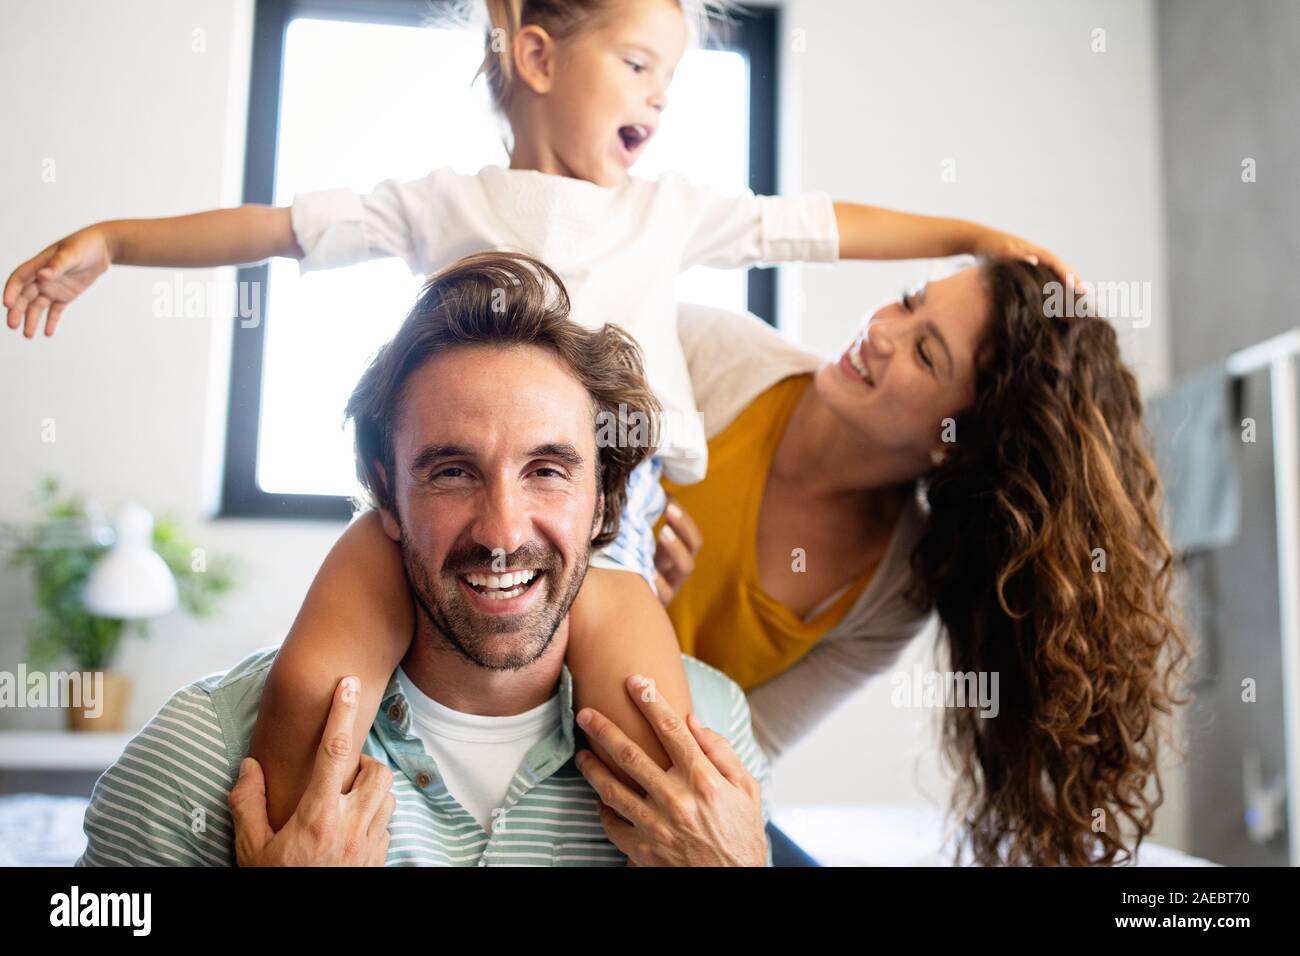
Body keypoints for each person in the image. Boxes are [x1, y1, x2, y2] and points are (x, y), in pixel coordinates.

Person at [2, 0, 1074, 831]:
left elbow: (821, 229)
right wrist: (113, 239)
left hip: (611, 534)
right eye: (639, 64)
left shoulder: (669, 212)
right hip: (429, 517)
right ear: (538, 59)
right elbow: (277, 228)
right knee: (306, 686)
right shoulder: (441, 202)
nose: (660, 98)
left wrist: (978, 233)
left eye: (674, 76)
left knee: (660, 744)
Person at [76, 251, 770, 867]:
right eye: (451, 472)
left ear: (603, 505)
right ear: (386, 493)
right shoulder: (196, 757)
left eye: (548, 471)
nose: (502, 531)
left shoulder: (709, 749)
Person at [638, 258, 1190, 866]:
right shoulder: (712, 354)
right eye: (907, 301)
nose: (880, 332)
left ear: (953, 442)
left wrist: (654, 627)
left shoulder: (895, 592)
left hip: (660, 769)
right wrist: (634, 598)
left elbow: (741, 753)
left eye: (925, 354)